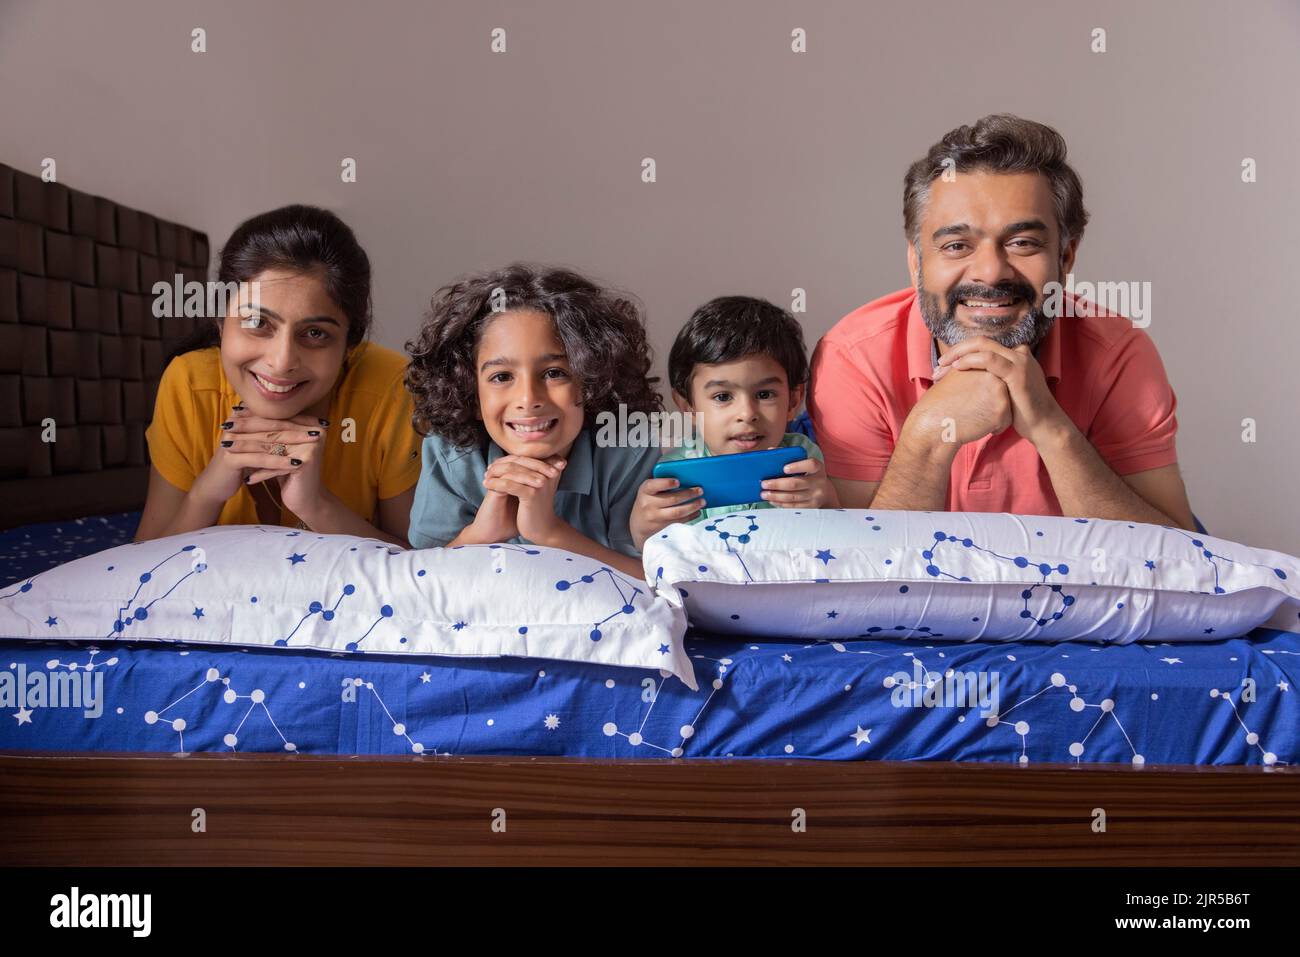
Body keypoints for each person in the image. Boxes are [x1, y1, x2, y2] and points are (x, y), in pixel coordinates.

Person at [809, 114, 1196, 529]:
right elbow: (861, 573)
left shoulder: (1118, 353)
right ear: (916, 261)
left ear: (1066, 256)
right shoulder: (853, 357)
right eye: (957, 245)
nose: (991, 273)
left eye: (1022, 243)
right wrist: (926, 435)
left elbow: (1176, 559)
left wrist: (1050, 428)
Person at [136, 205, 421, 546]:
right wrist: (208, 492)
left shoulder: (390, 388)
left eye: (315, 333)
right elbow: (142, 563)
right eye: (257, 323)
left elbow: (417, 566)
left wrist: (315, 505)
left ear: (349, 344)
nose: (282, 361)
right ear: (221, 320)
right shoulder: (189, 383)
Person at [404, 263, 662, 580]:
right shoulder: (450, 454)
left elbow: (655, 583)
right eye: (501, 377)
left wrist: (549, 532)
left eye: (554, 373)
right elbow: (420, 582)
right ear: (472, 394)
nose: (528, 398)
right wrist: (480, 534)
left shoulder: (626, 452)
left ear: (592, 382)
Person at [635, 295, 836, 537]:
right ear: (689, 407)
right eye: (722, 397)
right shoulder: (677, 470)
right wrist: (643, 528)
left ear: (793, 401)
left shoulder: (804, 459)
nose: (747, 414)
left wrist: (825, 498)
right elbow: (658, 550)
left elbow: (833, 532)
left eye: (764, 394)